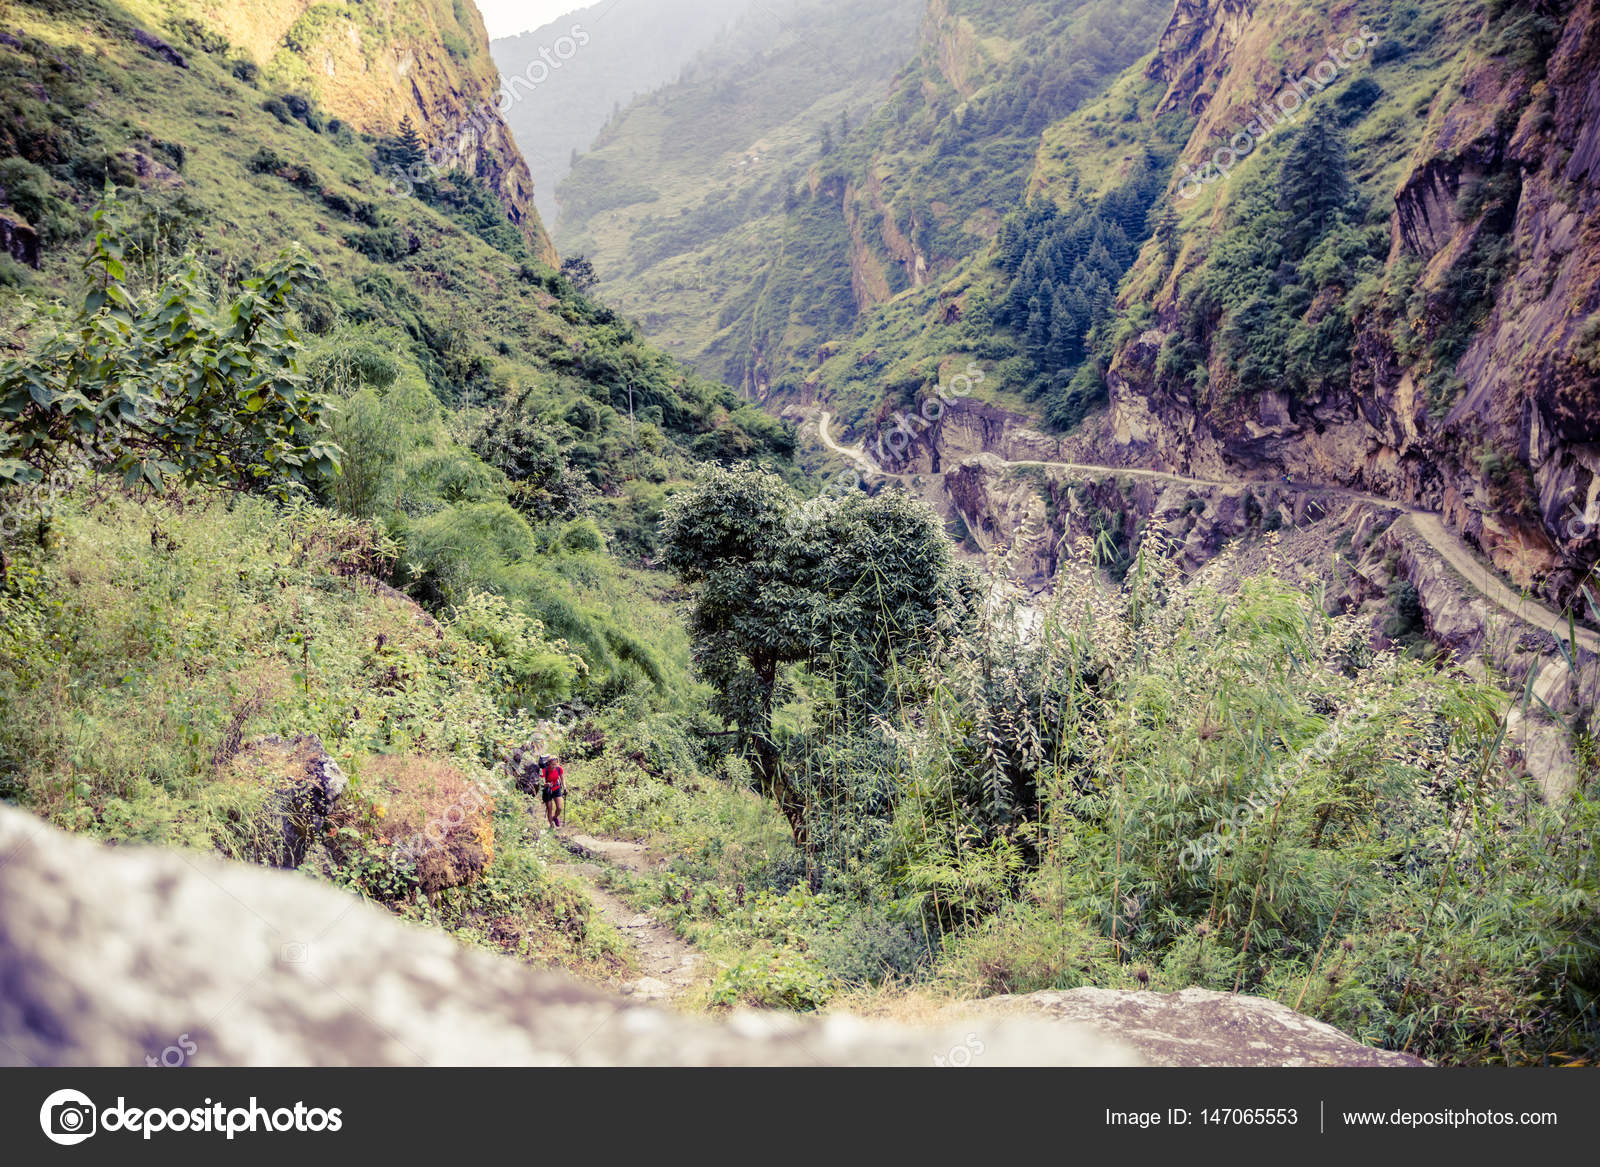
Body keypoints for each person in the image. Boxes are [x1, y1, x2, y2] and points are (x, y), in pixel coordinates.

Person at [541, 754, 565, 828]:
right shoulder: (545, 770)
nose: (554, 766)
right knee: (549, 809)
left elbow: (562, 779)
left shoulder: (559, 769)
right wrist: (547, 784)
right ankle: (551, 826)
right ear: (549, 763)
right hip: (547, 790)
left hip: (556, 788)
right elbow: (543, 782)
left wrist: (565, 787)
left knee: (559, 808)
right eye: (552, 764)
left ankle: (555, 817)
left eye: (555, 764)